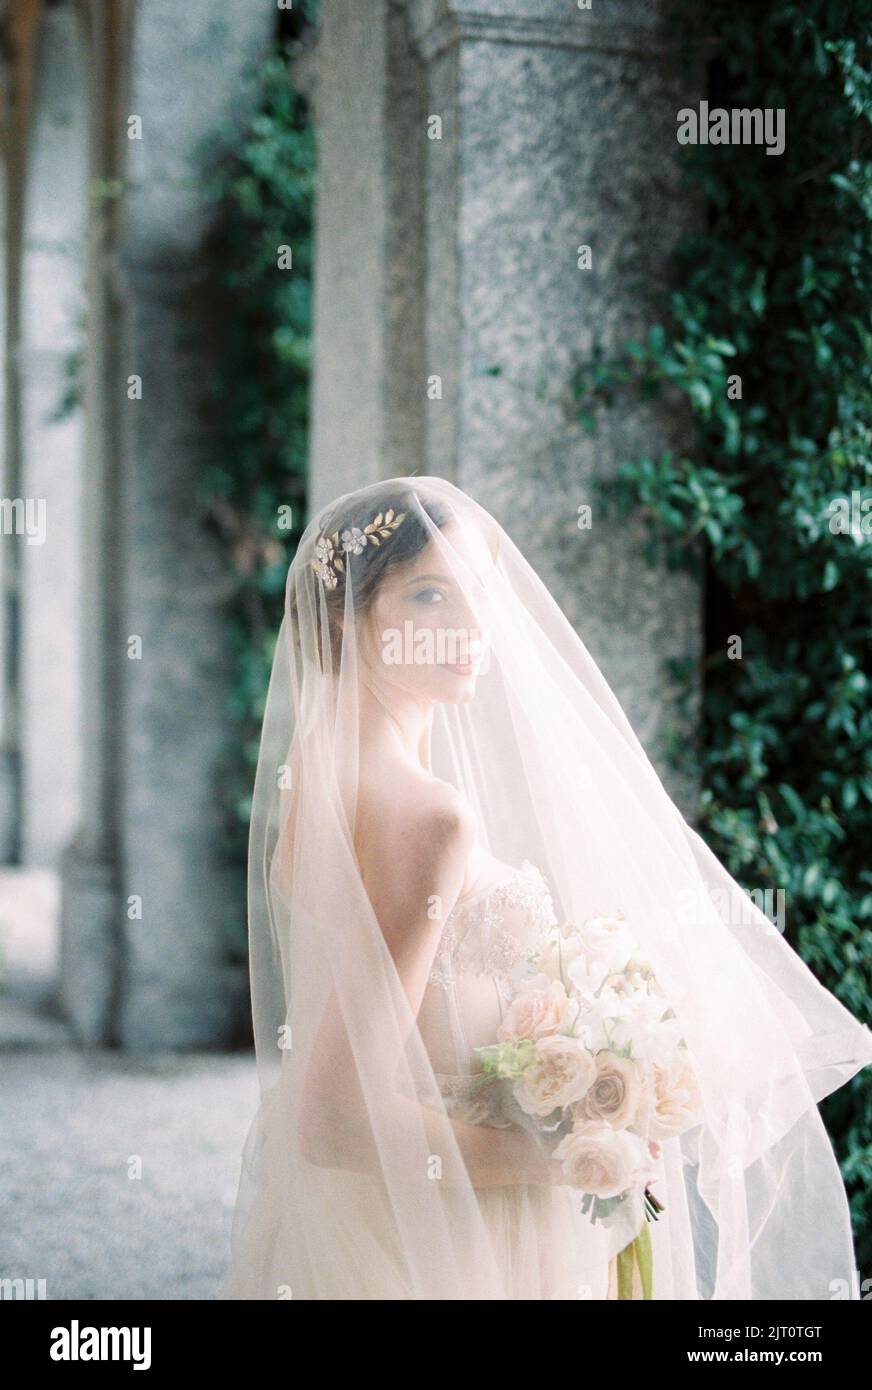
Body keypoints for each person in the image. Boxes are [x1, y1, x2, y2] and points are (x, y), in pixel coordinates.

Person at [219, 476, 872, 1301]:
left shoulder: (314, 772)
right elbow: (337, 1117)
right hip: (457, 1228)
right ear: (350, 614)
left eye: (477, 594)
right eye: (429, 595)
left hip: (370, 1216)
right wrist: (573, 1155)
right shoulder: (429, 820)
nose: (470, 628)